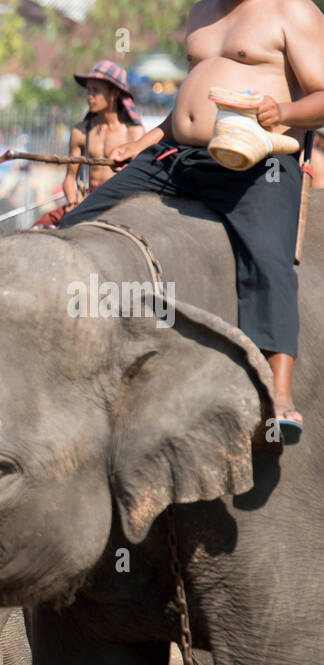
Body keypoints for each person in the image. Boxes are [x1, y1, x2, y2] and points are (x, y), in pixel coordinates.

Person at [59, 0, 324, 441]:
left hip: (259, 161)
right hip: (175, 155)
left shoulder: (291, 10)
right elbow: (189, 100)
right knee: (73, 228)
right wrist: (142, 142)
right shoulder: (201, 12)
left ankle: (278, 395)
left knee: (267, 257)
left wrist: (284, 112)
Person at [34, 60, 144, 228]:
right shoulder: (80, 132)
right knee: (38, 228)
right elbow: (70, 177)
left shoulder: (134, 133)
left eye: (96, 91)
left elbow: (139, 182)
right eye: (88, 90)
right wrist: (72, 202)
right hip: (85, 202)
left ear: (113, 94)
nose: (89, 96)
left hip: (120, 204)